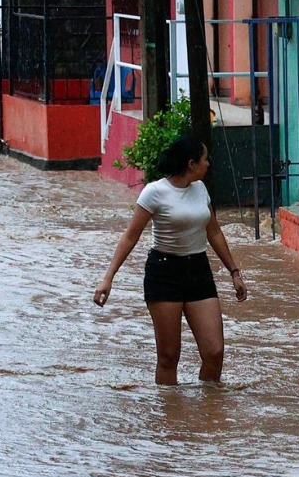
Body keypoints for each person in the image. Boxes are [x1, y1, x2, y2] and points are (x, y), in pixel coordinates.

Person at [93, 134, 249, 384]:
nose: (208, 164)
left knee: (214, 352)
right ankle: (169, 417)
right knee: (168, 356)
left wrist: (235, 272)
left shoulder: (201, 189)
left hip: (198, 270)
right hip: (164, 273)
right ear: (191, 163)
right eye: (205, 159)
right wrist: (108, 279)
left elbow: (214, 231)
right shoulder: (154, 192)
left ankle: (209, 410)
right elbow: (130, 237)